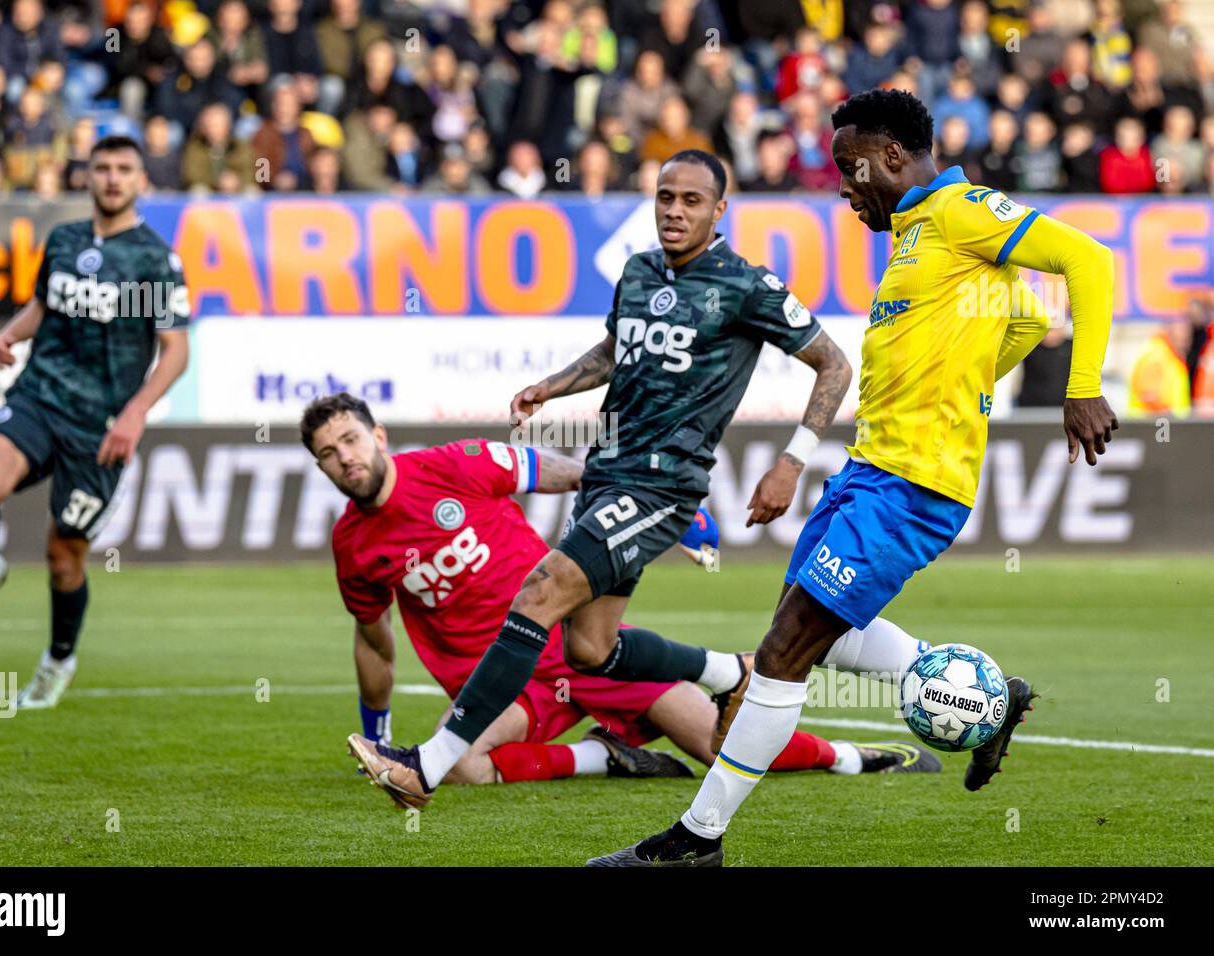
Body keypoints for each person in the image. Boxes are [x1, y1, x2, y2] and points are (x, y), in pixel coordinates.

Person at [590, 88, 1117, 866]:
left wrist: (1081, 387)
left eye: (850, 167)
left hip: (913, 484)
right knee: (807, 637)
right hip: (871, 470)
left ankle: (695, 842)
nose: (843, 185)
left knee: (782, 653)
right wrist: (964, 381)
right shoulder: (913, 234)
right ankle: (991, 698)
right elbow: (1028, 321)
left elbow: (1089, 259)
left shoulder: (962, 211)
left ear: (894, 156)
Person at [349, 147, 859, 810]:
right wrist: (553, 387)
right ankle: (731, 672)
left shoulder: (746, 285)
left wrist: (792, 460)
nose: (674, 211)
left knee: (538, 593)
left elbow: (835, 365)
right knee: (589, 649)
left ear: (719, 210)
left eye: (691, 201)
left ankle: (428, 766)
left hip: (661, 486)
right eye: (665, 197)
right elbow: (618, 350)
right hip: (605, 472)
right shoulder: (641, 271)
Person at [307, 394, 937, 789]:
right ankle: (605, 757)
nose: (345, 459)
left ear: (379, 435)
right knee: (460, 765)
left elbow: (555, 471)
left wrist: (646, 500)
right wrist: (378, 730)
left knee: (717, 744)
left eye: (351, 441)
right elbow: (375, 645)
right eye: (329, 454)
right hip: (508, 680)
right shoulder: (353, 545)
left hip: (581, 637)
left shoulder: (451, 465)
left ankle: (852, 757)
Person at [0, 136, 191, 709]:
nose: (111, 178)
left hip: (101, 426)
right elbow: (44, 306)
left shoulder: (153, 258)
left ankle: (57, 660)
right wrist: (8, 333)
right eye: (102, 167)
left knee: (63, 552)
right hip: (40, 396)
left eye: (124, 169)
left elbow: (175, 350)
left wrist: (134, 413)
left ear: (140, 181)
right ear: (87, 176)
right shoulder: (64, 240)